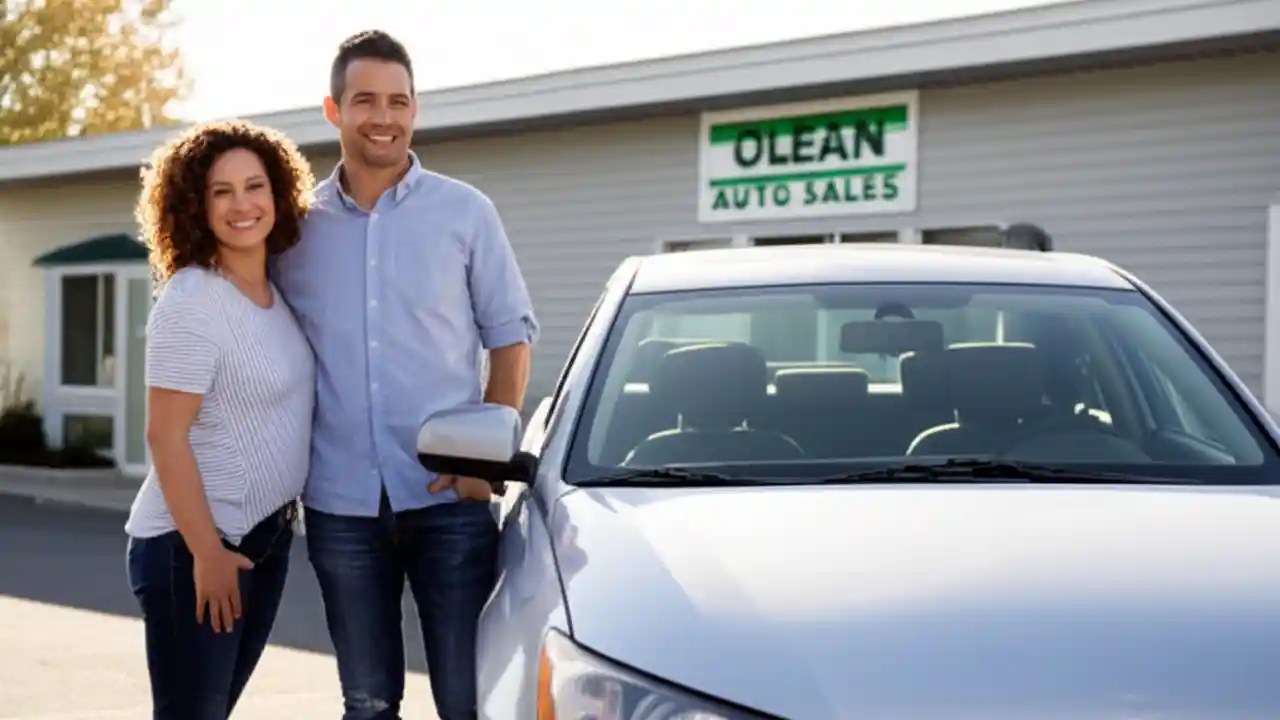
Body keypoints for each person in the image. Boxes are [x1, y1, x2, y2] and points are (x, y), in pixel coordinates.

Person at [269, 30, 539, 720]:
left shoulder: (465, 212)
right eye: (365, 100)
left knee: (465, 698)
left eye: (398, 100)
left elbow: (510, 339)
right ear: (333, 110)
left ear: (416, 109)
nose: (382, 116)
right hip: (340, 502)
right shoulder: (294, 227)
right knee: (366, 700)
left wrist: (487, 463)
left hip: (450, 499)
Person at [124, 119, 317, 719]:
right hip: (195, 546)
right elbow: (165, 432)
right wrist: (206, 552)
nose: (242, 205)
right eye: (221, 191)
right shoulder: (192, 299)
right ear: (194, 205)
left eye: (254, 186)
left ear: (278, 195)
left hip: (264, 539)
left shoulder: (272, 293)